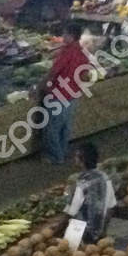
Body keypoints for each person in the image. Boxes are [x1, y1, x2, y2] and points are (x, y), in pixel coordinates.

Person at [42, 21, 91, 163]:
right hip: (72, 95)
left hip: (59, 94)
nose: (63, 36)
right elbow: (85, 75)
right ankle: (63, 151)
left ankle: (55, 157)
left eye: (65, 34)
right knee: (65, 126)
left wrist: (42, 86)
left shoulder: (67, 52)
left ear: (71, 35)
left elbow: (54, 72)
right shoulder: (82, 53)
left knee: (52, 127)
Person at [63, 141, 116, 243]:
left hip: (83, 231)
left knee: (66, 244)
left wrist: (58, 227)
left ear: (82, 160)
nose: (74, 158)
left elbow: (71, 211)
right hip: (99, 231)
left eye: (76, 156)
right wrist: (103, 229)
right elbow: (111, 206)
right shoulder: (104, 177)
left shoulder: (82, 180)